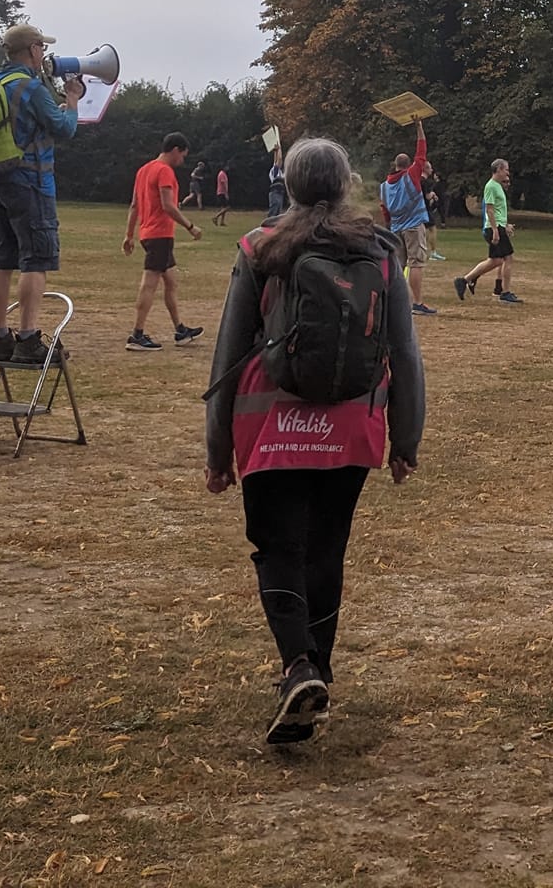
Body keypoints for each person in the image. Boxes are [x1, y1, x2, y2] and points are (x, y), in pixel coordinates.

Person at [203, 136, 424, 744]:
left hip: (269, 422)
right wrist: (406, 439)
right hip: (353, 423)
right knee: (328, 548)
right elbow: (405, 351)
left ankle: (298, 667)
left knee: (278, 545)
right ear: (346, 183)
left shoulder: (260, 246)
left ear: (290, 185)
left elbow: (228, 350)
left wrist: (217, 451)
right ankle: (317, 671)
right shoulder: (381, 249)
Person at [0, 25, 82, 367]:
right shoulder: (31, 87)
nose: (44, 53)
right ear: (33, 50)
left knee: (2, 260)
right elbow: (64, 128)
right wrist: (72, 100)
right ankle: (27, 340)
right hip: (32, 183)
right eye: (41, 47)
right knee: (35, 260)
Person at [124, 132, 205, 351]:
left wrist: (129, 235)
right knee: (149, 284)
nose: (182, 160)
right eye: (183, 155)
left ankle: (180, 330)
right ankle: (137, 335)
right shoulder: (164, 171)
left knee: (171, 282)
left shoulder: (144, 170)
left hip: (149, 234)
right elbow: (168, 206)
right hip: (159, 235)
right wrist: (190, 226)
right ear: (176, 150)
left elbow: (134, 205)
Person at [381, 121, 438, 316]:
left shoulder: (384, 186)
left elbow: (384, 209)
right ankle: (417, 303)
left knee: (398, 265)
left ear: (395, 165)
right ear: (408, 166)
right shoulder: (411, 175)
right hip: (413, 225)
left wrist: (389, 226)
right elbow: (421, 152)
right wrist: (419, 127)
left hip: (395, 227)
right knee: (416, 263)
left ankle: (391, 302)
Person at [455, 158, 520, 304]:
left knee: (496, 260)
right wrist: (496, 230)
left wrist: (505, 225)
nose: (508, 173)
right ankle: (505, 292)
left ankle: (464, 280)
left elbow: (497, 211)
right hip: (494, 228)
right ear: (499, 169)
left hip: (498, 226)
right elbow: (489, 210)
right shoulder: (491, 186)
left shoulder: (497, 186)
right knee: (508, 258)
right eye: (506, 169)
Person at [267, 142, 289, 221]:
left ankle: (273, 225)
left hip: (279, 193)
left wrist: (276, 151)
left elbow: (276, 160)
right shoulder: (275, 171)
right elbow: (279, 160)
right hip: (275, 193)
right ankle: (269, 225)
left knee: (278, 213)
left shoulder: (278, 171)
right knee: (274, 212)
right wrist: (279, 149)